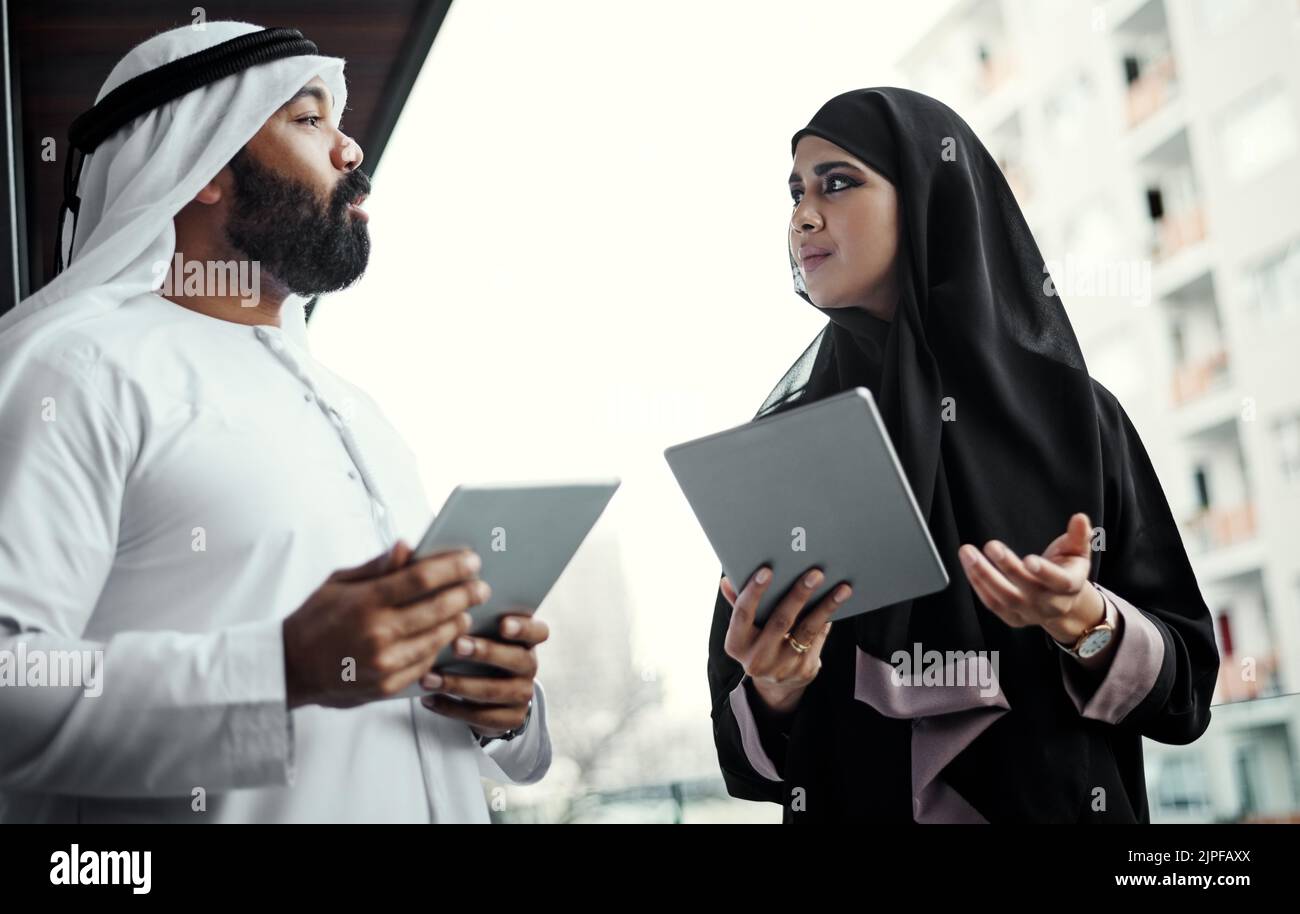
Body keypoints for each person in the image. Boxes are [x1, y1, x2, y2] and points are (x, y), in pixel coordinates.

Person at [0, 21, 550, 823]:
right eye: (308, 118)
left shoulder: (359, 413)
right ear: (202, 164)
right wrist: (281, 669)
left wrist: (505, 710)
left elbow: (461, 732)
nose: (350, 150)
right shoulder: (73, 370)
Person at [707, 87, 1220, 823]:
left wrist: (1084, 622)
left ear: (927, 195)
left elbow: (1189, 696)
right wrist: (773, 687)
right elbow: (747, 764)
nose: (802, 217)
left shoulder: (1077, 418)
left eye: (837, 182)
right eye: (794, 193)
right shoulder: (788, 448)